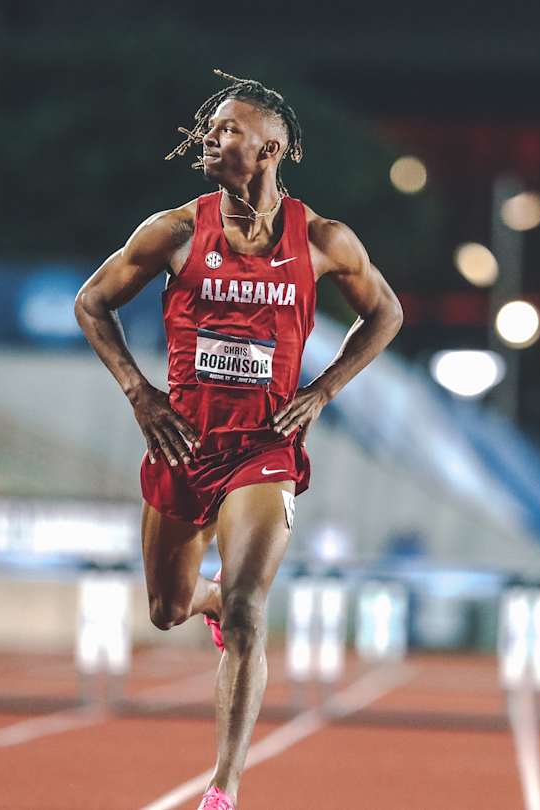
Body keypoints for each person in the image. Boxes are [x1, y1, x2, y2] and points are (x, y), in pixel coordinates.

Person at [75, 71, 401, 810]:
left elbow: (385, 315)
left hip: (265, 449)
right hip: (184, 444)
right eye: (212, 128)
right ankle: (208, 603)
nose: (212, 138)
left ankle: (223, 789)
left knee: (254, 607)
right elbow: (91, 302)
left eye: (230, 129)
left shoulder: (322, 240)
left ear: (271, 149)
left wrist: (324, 389)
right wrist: (139, 392)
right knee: (166, 607)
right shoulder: (176, 231)